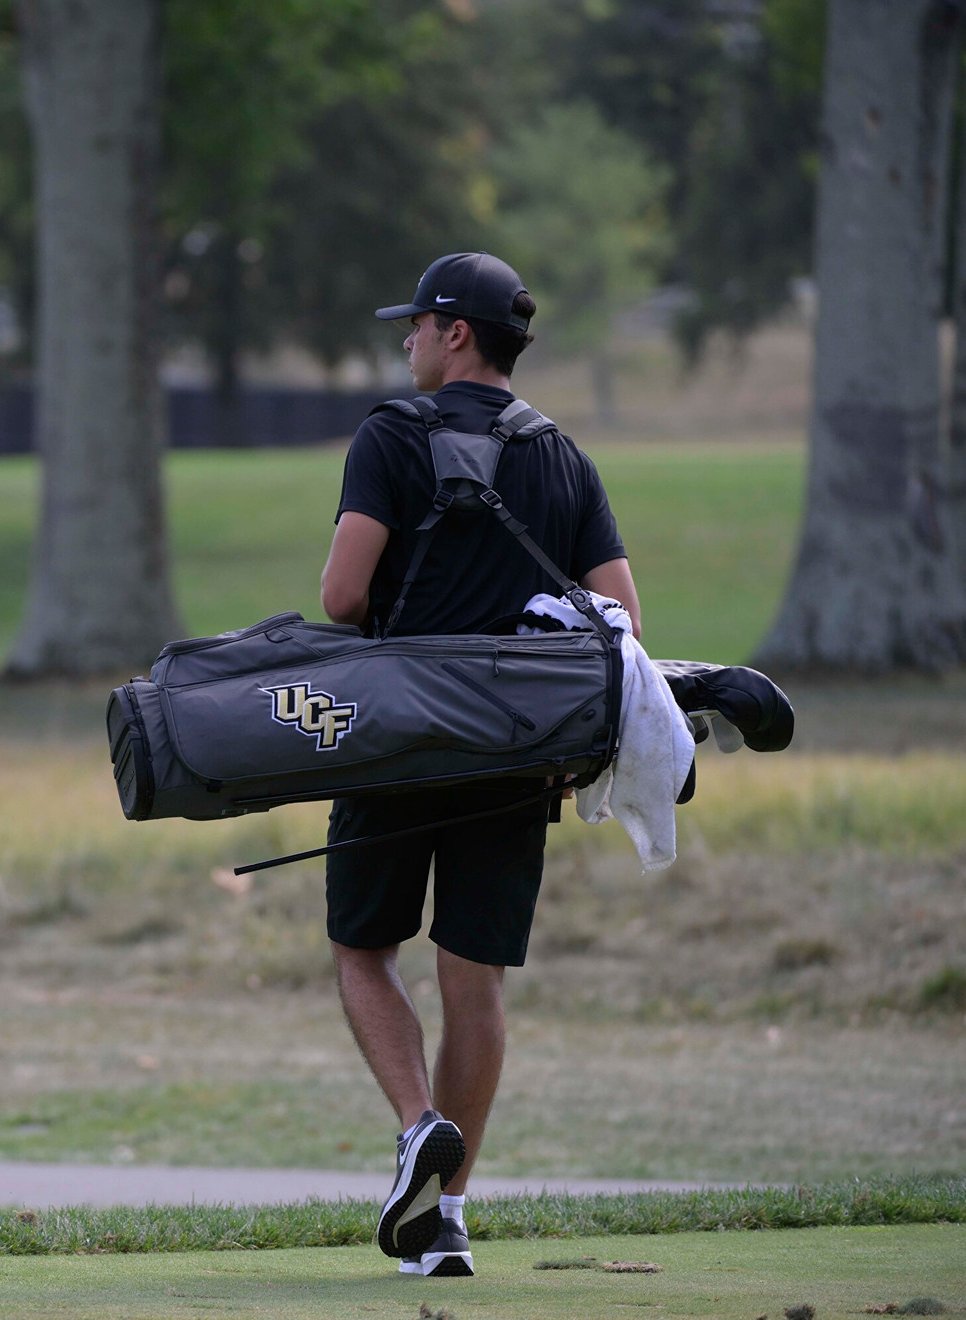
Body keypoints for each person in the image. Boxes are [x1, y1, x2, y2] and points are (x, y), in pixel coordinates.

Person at [318, 253, 642, 1278]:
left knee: (363, 951)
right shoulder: (563, 456)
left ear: (455, 332)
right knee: (476, 980)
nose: (407, 338)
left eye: (416, 323)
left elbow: (341, 597)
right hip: (515, 752)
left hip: (397, 738)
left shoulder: (390, 435)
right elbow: (622, 620)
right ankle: (448, 1217)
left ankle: (421, 1126)